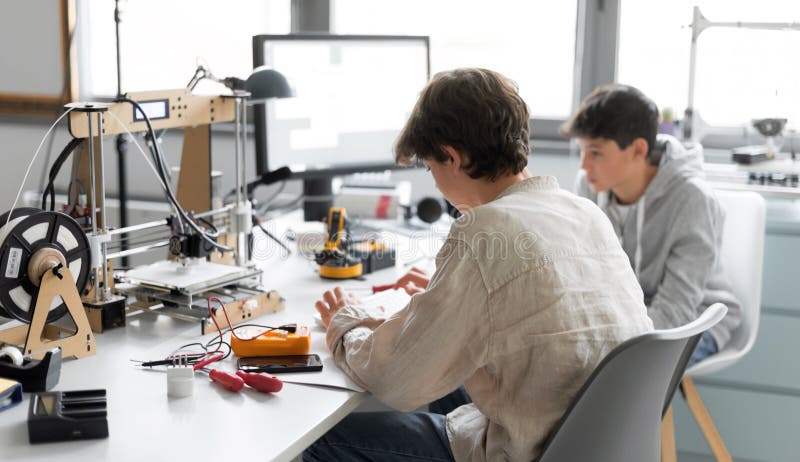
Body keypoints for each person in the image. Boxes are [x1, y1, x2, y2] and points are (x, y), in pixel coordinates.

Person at [303, 69, 653, 462]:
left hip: (529, 450)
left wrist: (345, 324)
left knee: (317, 441)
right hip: (595, 443)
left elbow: (397, 380)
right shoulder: (582, 211)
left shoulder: (482, 231)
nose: (435, 182)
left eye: (430, 167)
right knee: (447, 380)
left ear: (451, 157)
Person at [562, 83, 742, 366]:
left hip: (694, 321)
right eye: (582, 151)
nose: (584, 165)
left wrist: (612, 351)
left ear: (638, 149)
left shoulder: (692, 199)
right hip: (623, 319)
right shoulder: (590, 185)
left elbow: (677, 310)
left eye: (595, 153)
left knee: (620, 374)